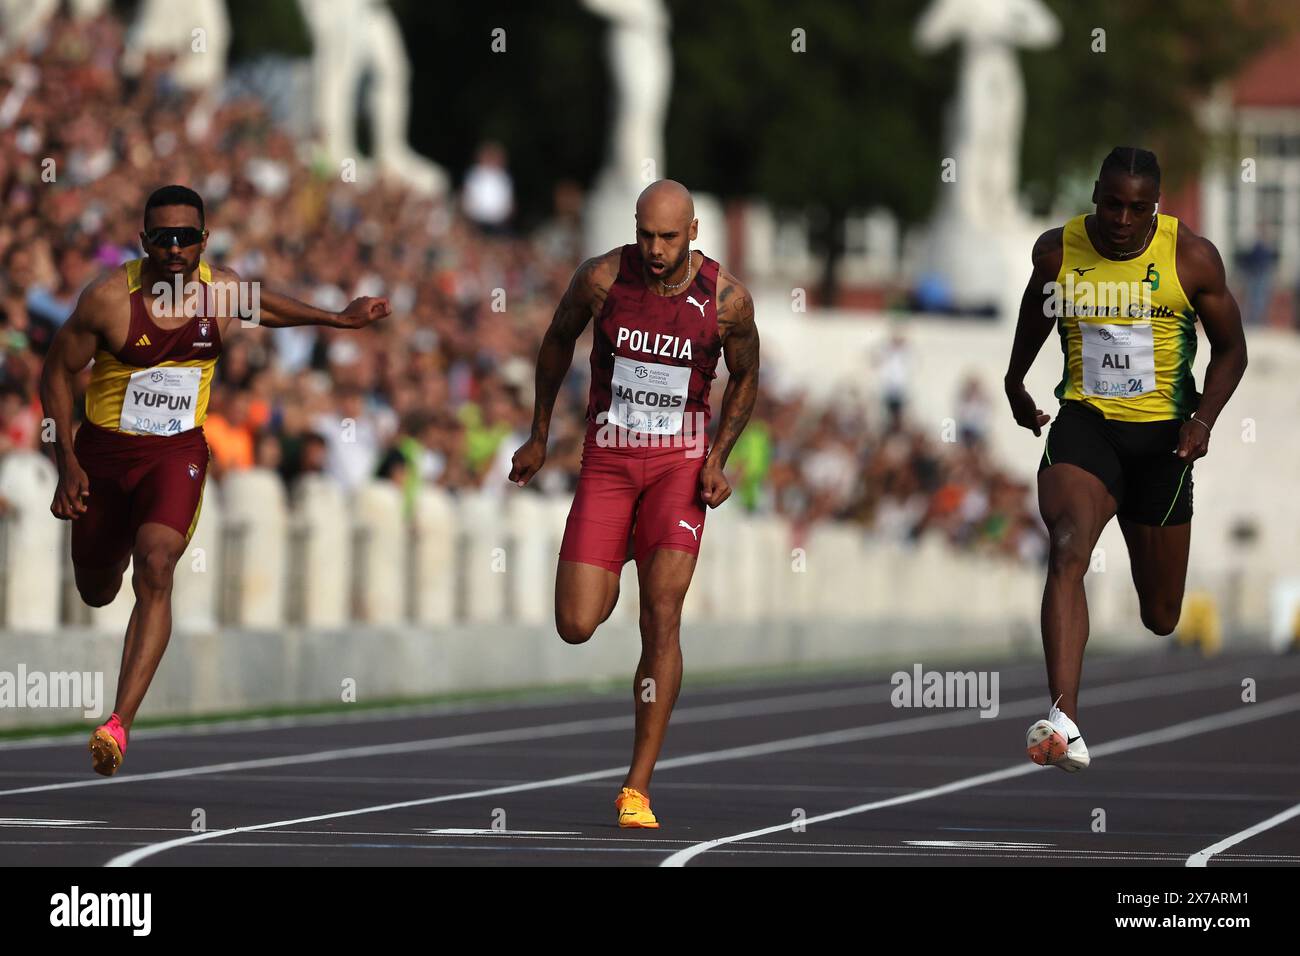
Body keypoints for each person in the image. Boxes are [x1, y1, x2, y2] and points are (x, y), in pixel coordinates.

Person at [39, 184, 390, 776]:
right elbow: (54, 372)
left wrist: (337, 319)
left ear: (204, 240)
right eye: (162, 238)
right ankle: (112, 541)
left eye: (186, 237)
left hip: (176, 455)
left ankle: (118, 723)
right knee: (97, 588)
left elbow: (270, 307)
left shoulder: (221, 291)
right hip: (103, 454)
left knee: (156, 565)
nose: (175, 249)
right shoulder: (107, 300)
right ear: (143, 240)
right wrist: (67, 461)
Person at [509, 180, 759, 826]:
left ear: (693, 232)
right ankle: (619, 546)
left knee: (663, 614)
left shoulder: (727, 301)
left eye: (668, 238)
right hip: (610, 461)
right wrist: (538, 435)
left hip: (678, 467)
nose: (653, 248)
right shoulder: (600, 279)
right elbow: (558, 341)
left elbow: (746, 375)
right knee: (575, 624)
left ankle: (637, 786)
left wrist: (717, 460)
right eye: (645, 234)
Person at [1003, 148, 1248, 772]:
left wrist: (1203, 419)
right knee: (1066, 546)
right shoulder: (1058, 252)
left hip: (1165, 439)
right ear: (1095, 195)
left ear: (1156, 207)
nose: (1121, 219)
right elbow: (1038, 309)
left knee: (1162, 614)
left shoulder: (1191, 259)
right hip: (1087, 424)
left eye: (1138, 208)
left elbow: (1232, 352)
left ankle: (1078, 704)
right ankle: (1065, 720)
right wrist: (1015, 381)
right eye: (1112, 203)